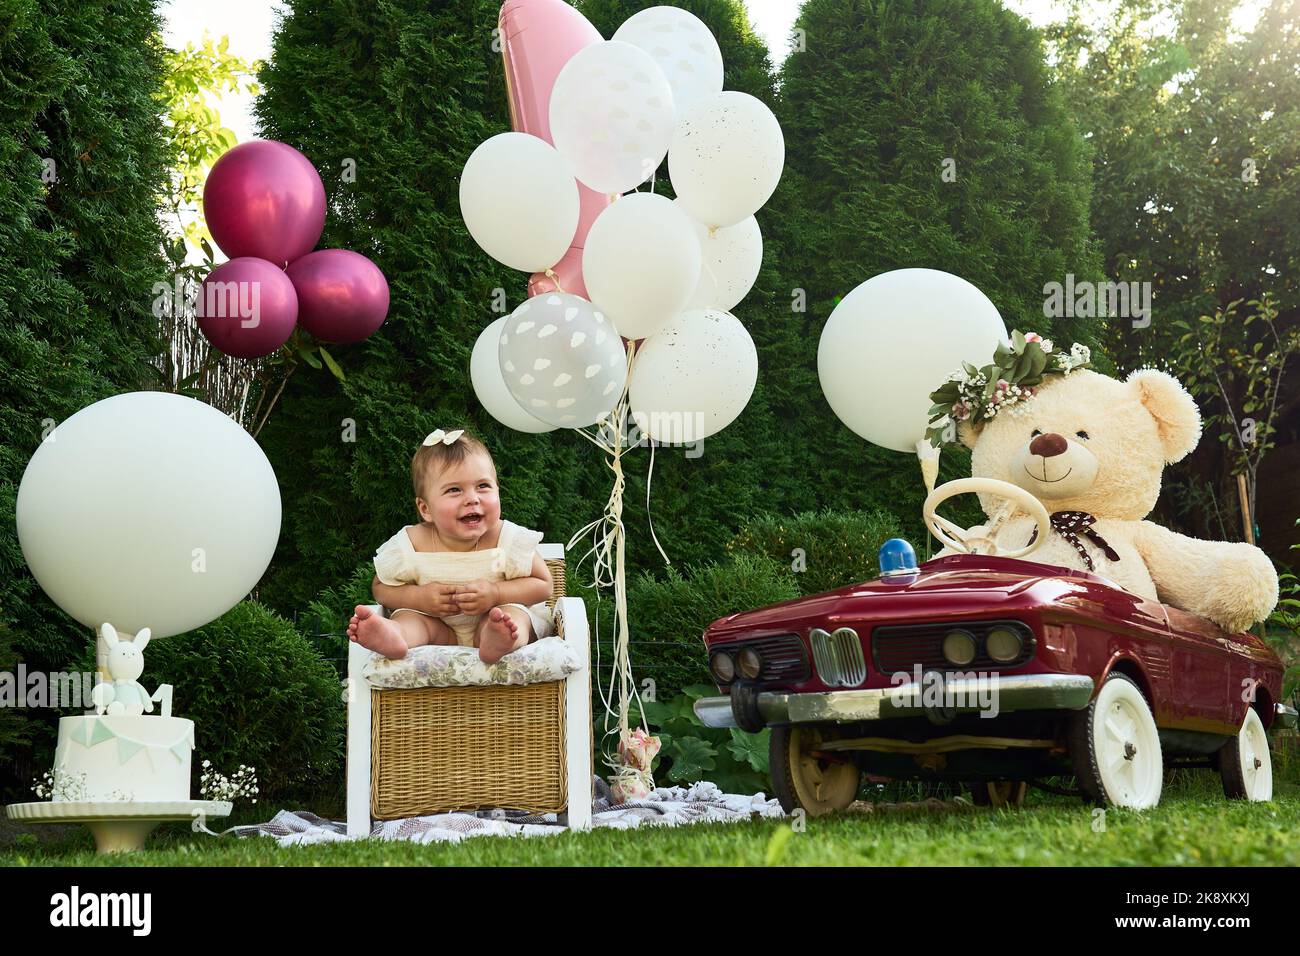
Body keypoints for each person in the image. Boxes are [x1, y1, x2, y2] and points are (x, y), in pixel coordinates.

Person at [347, 428, 553, 664]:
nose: (472, 498)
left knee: (511, 616)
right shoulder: (413, 544)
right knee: (412, 619)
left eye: (483, 486)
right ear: (425, 509)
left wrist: (496, 593)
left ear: (498, 491)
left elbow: (543, 585)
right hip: (437, 629)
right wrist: (418, 598)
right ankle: (395, 636)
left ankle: (496, 640)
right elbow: (381, 588)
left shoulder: (508, 539)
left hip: (494, 617)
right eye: (454, 490)